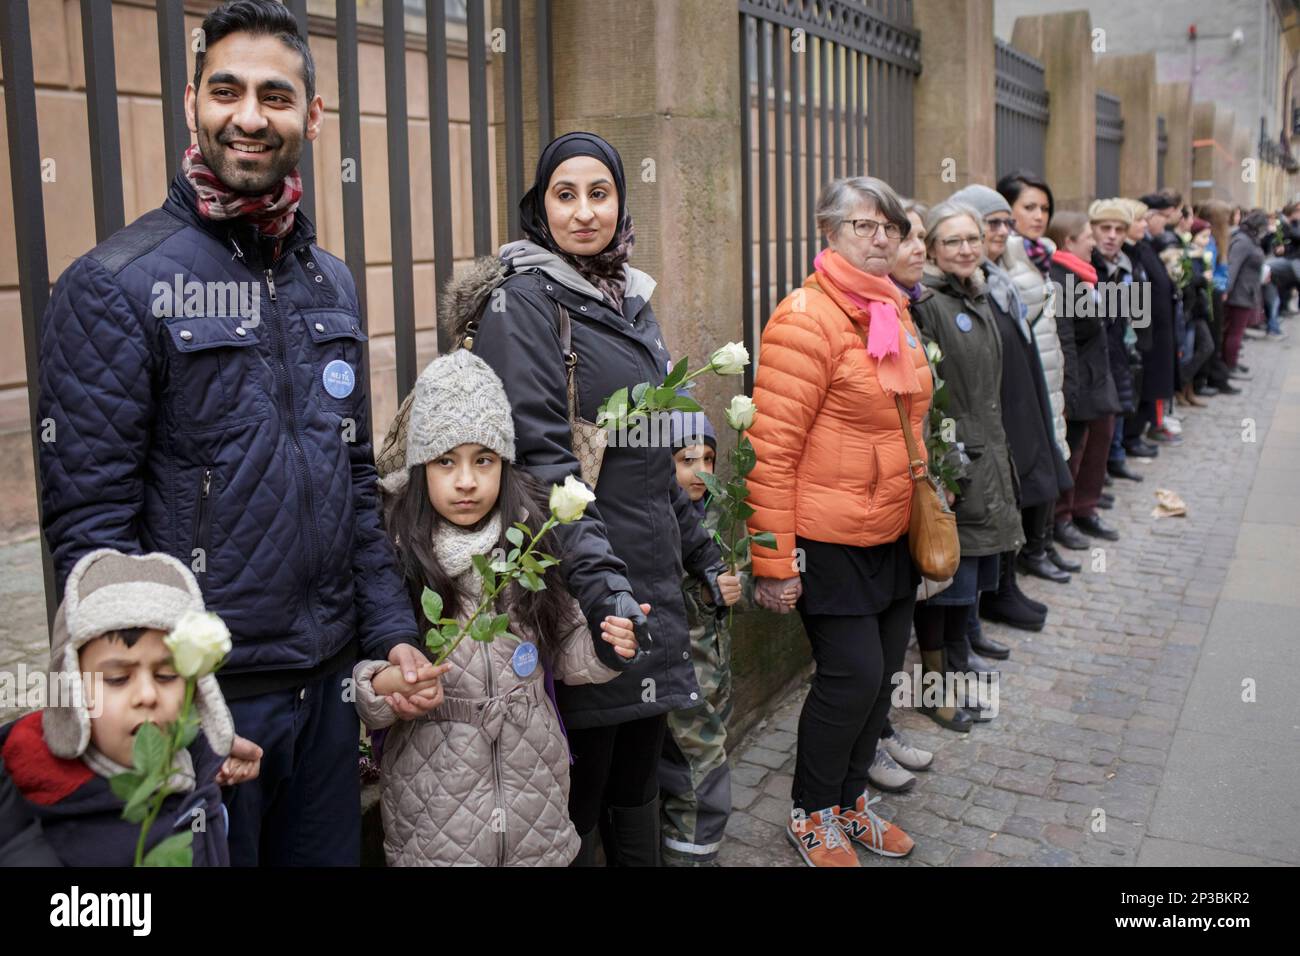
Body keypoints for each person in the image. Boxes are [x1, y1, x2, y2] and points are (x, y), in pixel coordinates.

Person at [35, 0, 420, 866]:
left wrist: (393, 632)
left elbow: (354, 482)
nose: (249, 116)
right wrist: (173, 720)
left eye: (276, 96)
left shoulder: (330, 284)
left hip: (326, 704)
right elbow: (93, 549)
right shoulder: (114, 287)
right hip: (215, 711)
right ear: (191, 104)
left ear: (313, 118)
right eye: (227, 91)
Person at [465, 131, 725, 867]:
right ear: (539, 206)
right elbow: (542, 461)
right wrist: (601, 588)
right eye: (565, 194)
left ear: (620, 200)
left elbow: (651, 459)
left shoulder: (627, 300)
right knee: (581, 785)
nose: (584, 212)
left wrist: (702, 551)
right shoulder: (522, 301)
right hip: (578, 590)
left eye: (599, 193)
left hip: (645, 578)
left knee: (638, 773)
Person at [358, 350, 639, 866]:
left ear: (504, 464)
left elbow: (565, 646)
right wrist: (386, 688)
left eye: (483, 460)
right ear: (421, 465)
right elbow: (364, 677)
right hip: (435, 804)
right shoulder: (395, 550)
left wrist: (606, 644)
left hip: (534, 788)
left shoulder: (530, 544)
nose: (466, 480)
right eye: (447, 460)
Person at [748, 176, 929, 866]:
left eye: (890, 226)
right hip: (826, 538)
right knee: (849, 677)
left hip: (890, 529)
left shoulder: (892, 310)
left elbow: (906, 422)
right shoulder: (806, 317)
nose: (881, 237)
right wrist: (772, 561)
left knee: (882, 675)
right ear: (829, 232)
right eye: (864, 225)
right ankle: (811, 812)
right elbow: (771, 451)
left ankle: (851, 802)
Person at [0, 550, 248, 866]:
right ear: (71, 687)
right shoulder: (49, 821)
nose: (146, 695)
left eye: (166, 675)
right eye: (117, 679)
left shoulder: (202, 768)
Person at [911, 201, 1024, 731]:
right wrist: (947, 465)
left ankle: (956, 671)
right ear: (933, 247)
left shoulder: (974, 293)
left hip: (987, 457)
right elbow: (931, 395)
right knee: (942, 589)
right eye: (952, 241)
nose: (965, 249)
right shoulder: (930, 302)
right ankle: (936, 690)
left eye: (971, 239)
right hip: (957, 465)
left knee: (967, 583)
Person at [954, 184, 1070, 644]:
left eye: (1006, 222)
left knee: (1015, 493)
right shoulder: (969, 281)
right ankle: (983, 607)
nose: (1003, 230)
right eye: (993, 223)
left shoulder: (1001, 276)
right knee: (990, 505)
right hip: (988, 413)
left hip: (1020, 399)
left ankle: (1005, 587)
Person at [658, 408, 745, 866]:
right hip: (683, 678)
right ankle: (692, 857)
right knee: (702, 775)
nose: (701, 472)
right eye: (686, 459)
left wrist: (733, 584)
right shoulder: (661, 529)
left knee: (692, 772)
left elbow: (734, 581)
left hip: (716, 675)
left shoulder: (719, 517)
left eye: (709, 459)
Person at [1047, 212, 1122, 550]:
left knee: (1098, 443)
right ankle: (1063, 516)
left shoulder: (1084, 276)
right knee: (1074, 451)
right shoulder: (1062, 280)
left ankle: (1085, 507)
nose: (1094, 242)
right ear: (1069, 242)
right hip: (1080, 383)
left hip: (1096, 378)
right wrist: (1069, 393)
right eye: (1088, 236)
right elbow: (1065, 341)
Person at [1225, 210, 1268, 374]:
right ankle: (1230, 365)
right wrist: (1227, 291)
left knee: (1237, 331)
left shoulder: (1250, 240)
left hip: (1247, 290)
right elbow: (1233, 267)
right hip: (1239, 293)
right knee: (1235, 332)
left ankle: (1232, 361)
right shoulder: (1243, 241)